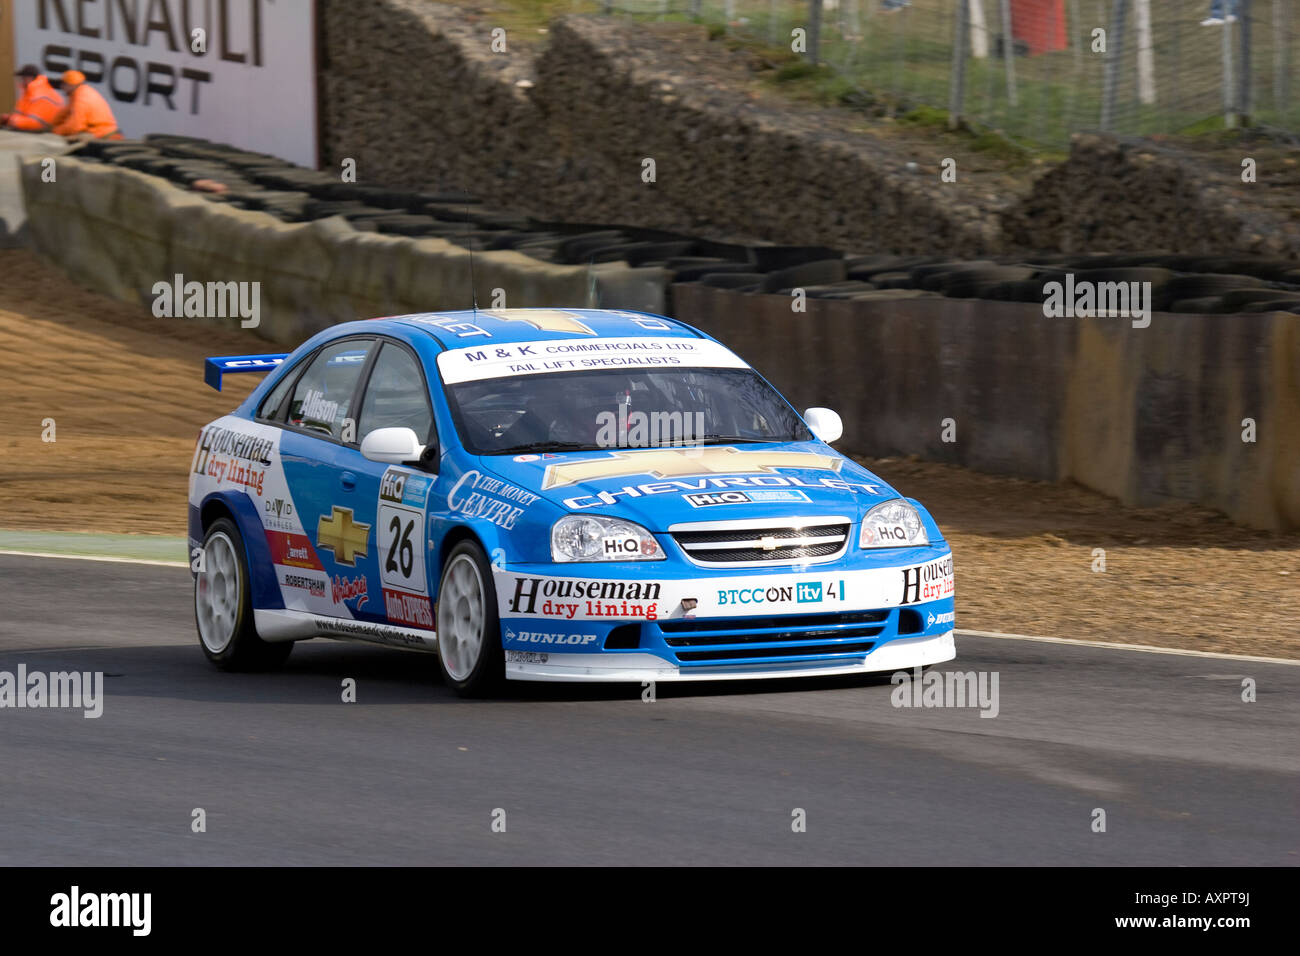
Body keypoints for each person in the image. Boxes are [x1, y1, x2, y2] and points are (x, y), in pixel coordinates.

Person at [50, 70, 122, 139]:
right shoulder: (79, 93)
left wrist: (55, 131)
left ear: (71, 85)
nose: (61, 87)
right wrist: (52, 125)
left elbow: (74, 126)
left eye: (63, 84)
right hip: (100, 133)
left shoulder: (82, 99)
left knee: (66, 140)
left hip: (104, 136)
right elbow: (64, 113)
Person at [1, 65, 66, 133]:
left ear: (29, 78)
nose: (21, 81)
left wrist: (10, 120)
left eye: (23, 78)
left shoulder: (41, 94)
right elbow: (20, 114)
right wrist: (9, 118)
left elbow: (35, 124)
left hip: (46, 133)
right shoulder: (30, 92)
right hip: (39, 132)